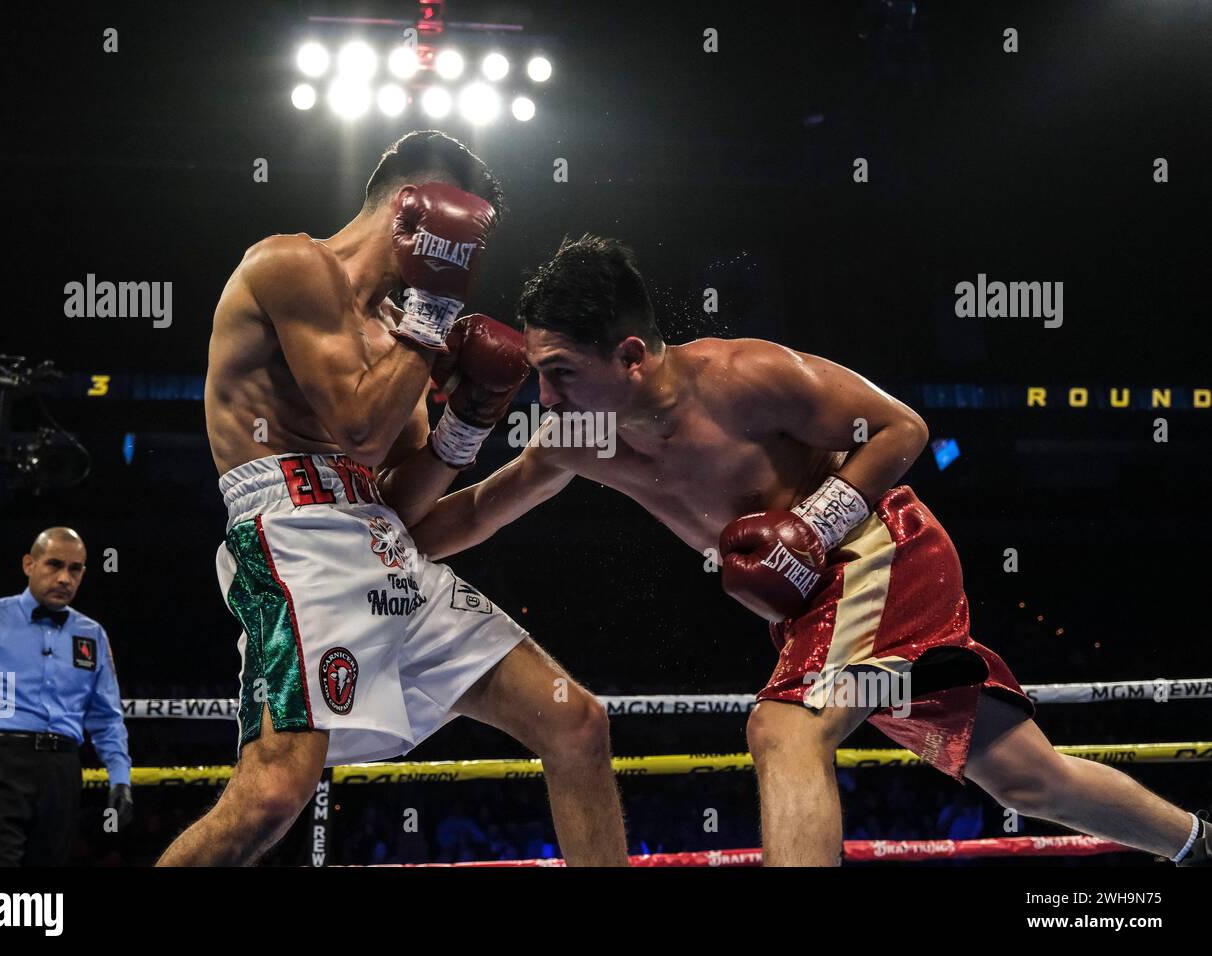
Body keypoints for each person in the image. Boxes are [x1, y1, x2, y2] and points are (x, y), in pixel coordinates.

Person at [408, 234, 1210, 867]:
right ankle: (1195, 842)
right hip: (811, 607)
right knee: (1028, 777)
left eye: (561, 373)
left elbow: (902, 428)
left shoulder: (744, 377)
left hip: (876, 550)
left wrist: (816, 523)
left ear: (630, 355)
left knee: (783, 728)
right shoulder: (575, 440)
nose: (546, 398)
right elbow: (478, 511)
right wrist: (377, 535)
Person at [158, 132, 627, 866]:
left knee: (578, 725)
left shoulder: (396, 335)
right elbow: (356, 426)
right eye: (465, 232)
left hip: (380, 544)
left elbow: (401, 506)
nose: (469, 259)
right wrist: (436, 308)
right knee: (275, 791)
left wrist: (466, 426)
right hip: (291, 538)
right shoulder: (291, 263)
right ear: (416, 207)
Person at [0, 527, 132, 866]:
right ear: (29, 564)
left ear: (84, 573)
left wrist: (120, 778)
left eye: (75, 569)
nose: (64, 578)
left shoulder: (91, 634)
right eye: (54, 565)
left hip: (61, 771)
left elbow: (106, 716)